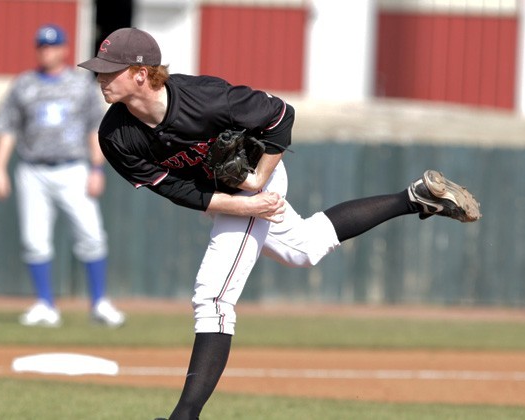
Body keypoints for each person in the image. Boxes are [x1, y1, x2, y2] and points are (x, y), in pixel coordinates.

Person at [78, 27, 481, 419]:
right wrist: (237, 207)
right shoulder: (115, 135)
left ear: (141, 74)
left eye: (109, 70)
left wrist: (258, 184)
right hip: (227, 197)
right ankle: (415, 198)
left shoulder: (205, 99)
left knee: (214, 298)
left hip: (257, 179)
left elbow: (281, 115)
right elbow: (171, 189)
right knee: (303, 248)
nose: (100, 77)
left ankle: (185, 415)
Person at [0, 24, 125, 328]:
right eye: (41, 46)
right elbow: (7, 128)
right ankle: (45, 304)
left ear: (64, 49)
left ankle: (100, 303)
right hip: (33, 170)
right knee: (35, 241)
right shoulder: (23, 85)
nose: (46, 51)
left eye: (52, 46)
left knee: (91, 236)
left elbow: (96, 129)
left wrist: (97, 168)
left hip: (73, 168)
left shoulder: (80, 85)